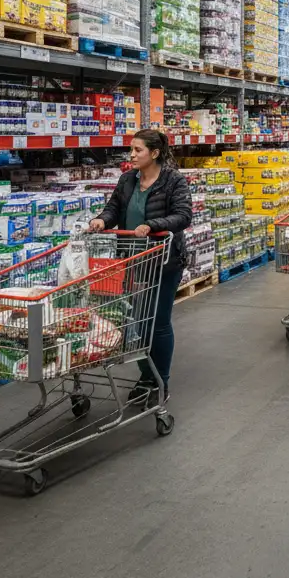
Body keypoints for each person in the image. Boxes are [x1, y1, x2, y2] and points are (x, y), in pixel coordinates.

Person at [89, 129, 192, 401]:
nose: (131, 155)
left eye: (138, 150)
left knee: (156, 323)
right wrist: (102, 220)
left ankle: (161, 382)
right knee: (135, 322)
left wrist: (152, 225)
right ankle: (147, 376)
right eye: (131, 149)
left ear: (155, 153)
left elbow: (183, 216)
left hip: (163, 261)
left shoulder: (173, 181)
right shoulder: (127, 180)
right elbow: (114, 209)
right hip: (132, 261)